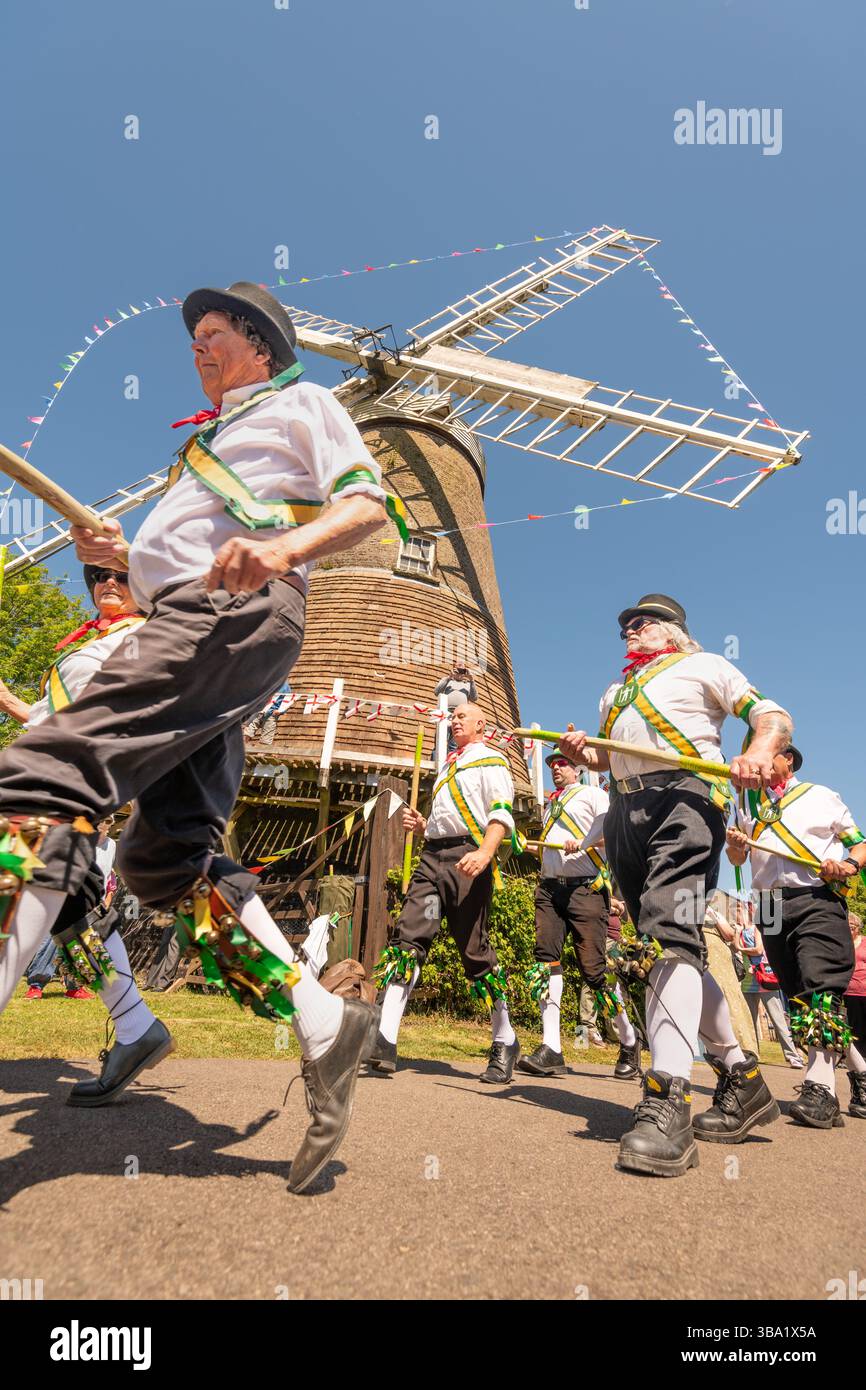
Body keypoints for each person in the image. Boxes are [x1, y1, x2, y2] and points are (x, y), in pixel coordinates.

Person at [0, 280, 397, 1194]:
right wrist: (119, 563)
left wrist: (287, 550)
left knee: (43, 775)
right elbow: (163, 580)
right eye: (195, 341)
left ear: (260, 344)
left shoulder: (305, 402)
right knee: (160, 865)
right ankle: (321, 1017)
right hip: (189, 618)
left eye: (212, 335)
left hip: (232, 613)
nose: (198, 350)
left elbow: (370, 503)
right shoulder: (203, 452)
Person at [561, 592, 789, 1177]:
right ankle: (742, 1077)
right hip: (625, 813)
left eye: (641, 623)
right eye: (626, 627)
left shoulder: (706, 665)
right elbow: (615, 762)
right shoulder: (614, 693)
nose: (630, 632)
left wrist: (759, 749)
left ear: (673, 631)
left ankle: (668, 1098)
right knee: (663, 946)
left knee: (668, 935)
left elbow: (771, 714)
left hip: (688, 800)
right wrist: (585, 755)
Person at [1, 568, 153, 1024]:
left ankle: (312, 1011)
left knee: (11, 879)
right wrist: (9, 702)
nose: (109, 582)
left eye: (123, 575)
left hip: (71, 771)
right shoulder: (89, 643)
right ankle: (134, 1025)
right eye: (99, 576)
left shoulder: (147, 632)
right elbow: (52, 714)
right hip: (51, 765)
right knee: (71, 906)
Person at [369, 702, 522, 1083]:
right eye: (452, 717)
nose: (453, 721)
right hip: (433, 858)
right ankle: (384, 1039)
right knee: (409, 937)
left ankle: (505, 1038)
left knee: (474, 951)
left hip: (467, 857)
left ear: (481, 723)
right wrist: (423, 826)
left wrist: (486, 852)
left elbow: (501, 811)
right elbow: (445, 819)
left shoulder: (492, 760)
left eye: (461, 717)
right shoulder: (447, 767)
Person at [726, 744, 866, 1129]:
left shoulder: (821, 796)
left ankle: (821, 1089)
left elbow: (859, 842)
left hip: (815, 894)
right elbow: (737, 859)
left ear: (789, 759)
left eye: (768, 754)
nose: (757, 762)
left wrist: (849, 865)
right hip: (768, 904)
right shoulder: (745, 805)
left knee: (821, 987)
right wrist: (736, 848)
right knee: (799, 999)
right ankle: (862, 1071)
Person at [518, 750, 640, 1080]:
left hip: (585, 889)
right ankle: (551, 1047)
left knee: (595, 971)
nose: (556, 769)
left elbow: (613, 833)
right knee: (545, 961)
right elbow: (550, 847)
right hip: (549, 889)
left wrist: (584, 842)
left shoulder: (593, 795)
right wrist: (529, 846)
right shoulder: (551, 805)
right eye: (553, 765)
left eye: (562, 764)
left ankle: (629, 1040)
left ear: (578, 768)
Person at [735, 906, 803, 1069]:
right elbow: (734, 945)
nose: (736, 912)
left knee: (777, 1017)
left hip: (764, 978)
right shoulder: (740, 929)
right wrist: (738, 934)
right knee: (749, 1021)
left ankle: (793, 1055)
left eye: (739, 908)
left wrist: (740, 948)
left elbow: (758, 949)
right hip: (748, 981)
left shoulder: (758, 928)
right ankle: (751, 1054)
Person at [843, 913, 866, 1118]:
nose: (849, 928)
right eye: (846, 925)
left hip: (865, 993)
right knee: (854, 1035)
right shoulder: (841, 944)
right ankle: (860, 1085)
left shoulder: (865, 943)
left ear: (858, 927)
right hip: (849, 995)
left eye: (851, 925)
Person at [435, 664, 479, 754]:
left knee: (454, 743)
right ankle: (435, 765)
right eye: (458, 669)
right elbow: (436, 691)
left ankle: (452, 765)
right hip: (445, 712)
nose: (460, 672)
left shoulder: (467, 684)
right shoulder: (447, 681)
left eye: (463, 670)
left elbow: (474, 698)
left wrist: (471, 680)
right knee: (440, 739)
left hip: (460, 715)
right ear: (454, 669)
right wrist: (449, 677)